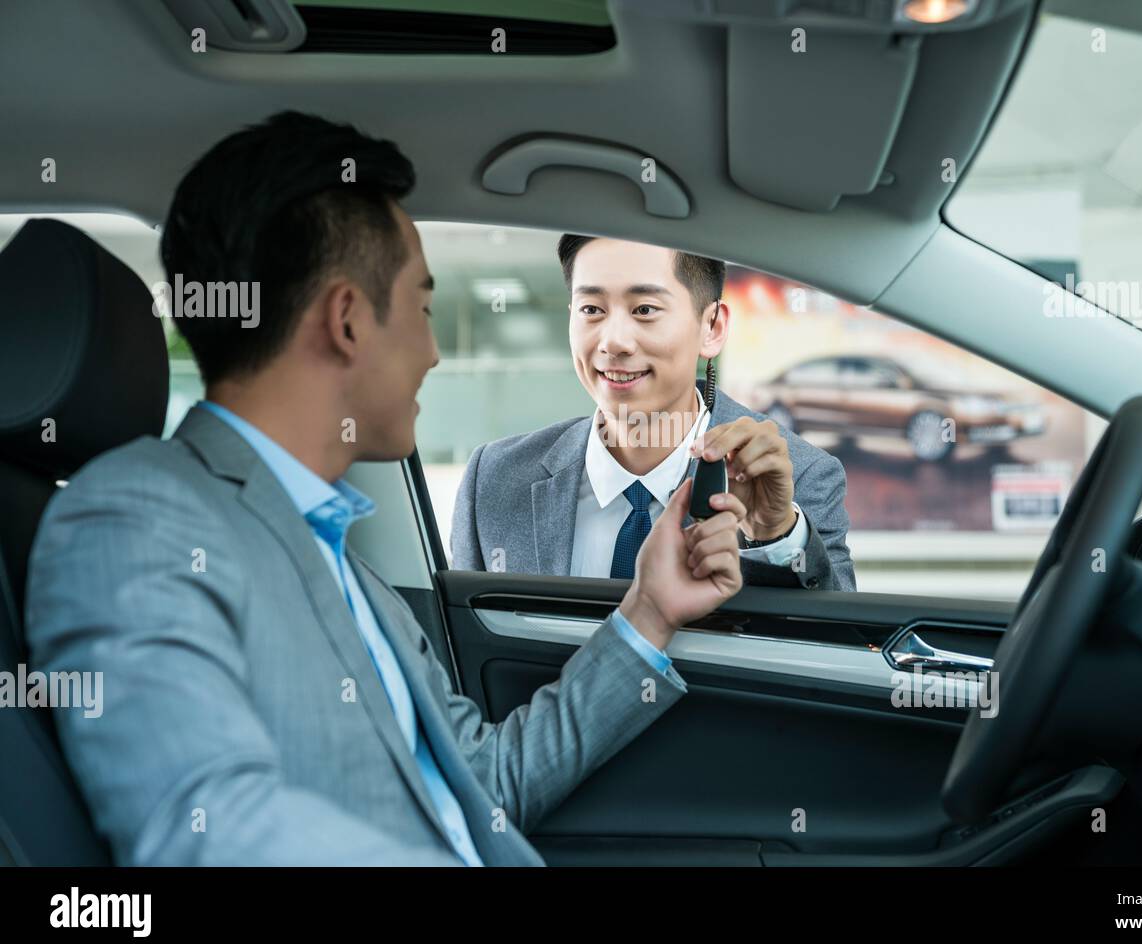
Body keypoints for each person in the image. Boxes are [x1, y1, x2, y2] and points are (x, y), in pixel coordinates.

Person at [24, 111, 747, 866]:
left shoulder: (347, 567)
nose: (433, 352)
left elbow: (481, 788)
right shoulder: (134, 518)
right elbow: (210, 828)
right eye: (422, 310)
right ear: (346, 320)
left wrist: (649, 611)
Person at [452, 235, 856, 591]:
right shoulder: (496, 477)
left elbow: (839, 643)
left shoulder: (799, 477)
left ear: (712, 327)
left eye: (644, 309)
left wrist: (775, 536)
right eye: (592, 309)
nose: (614, 342)